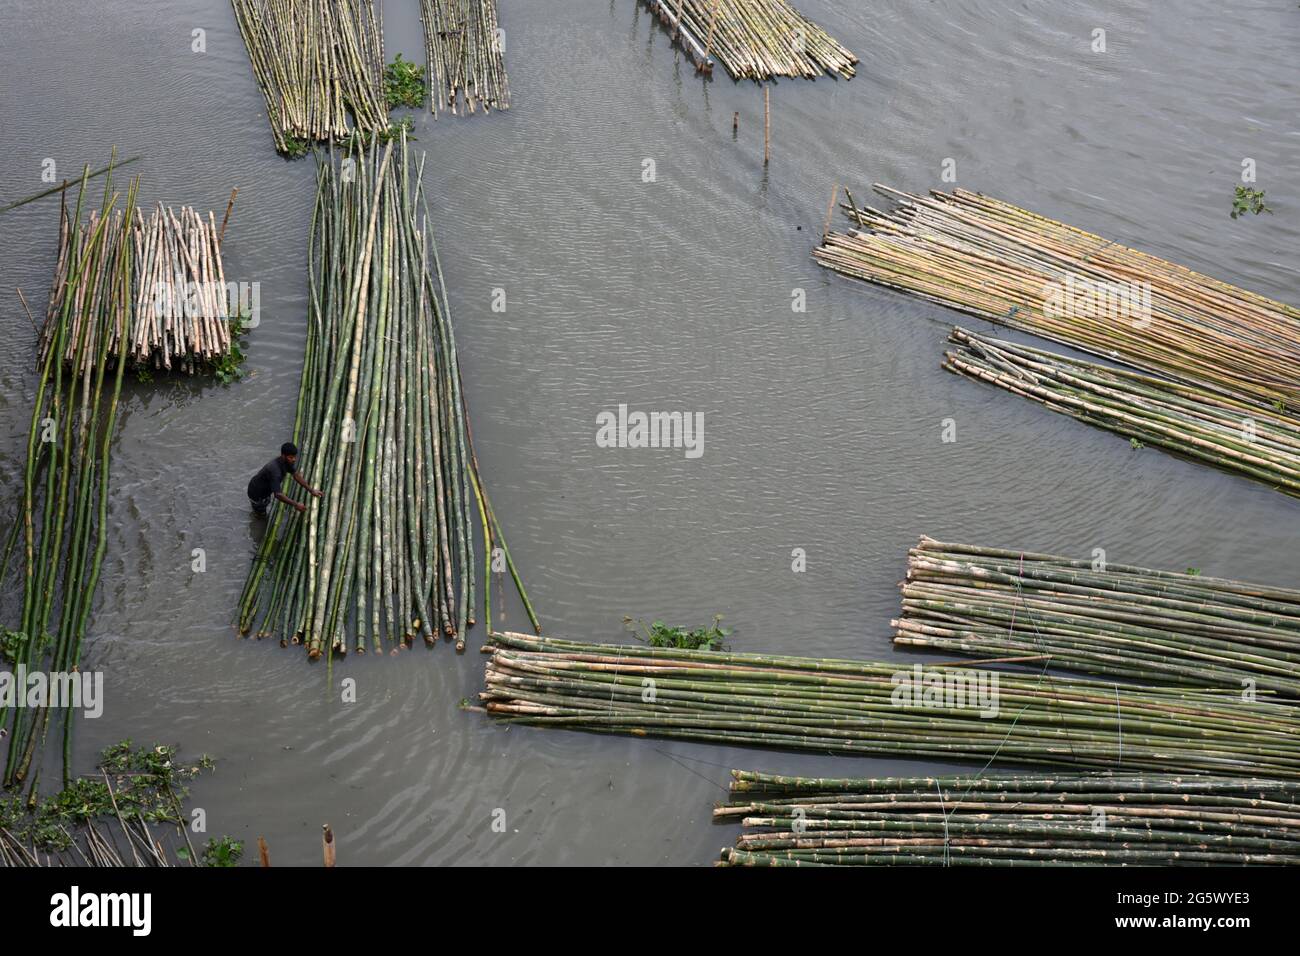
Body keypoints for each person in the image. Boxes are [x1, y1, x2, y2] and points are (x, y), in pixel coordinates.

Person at [247, 442, 323, 516]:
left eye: (294, 457)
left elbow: (296, 475)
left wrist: (311, 490)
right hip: (256, 492)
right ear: (283, 456)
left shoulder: (287, 462)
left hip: (264, 488)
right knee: (261, 514)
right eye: (291, 457)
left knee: (265, 504)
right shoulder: (275, 471)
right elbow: (278, 495)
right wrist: (296, 504)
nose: (294, 460)